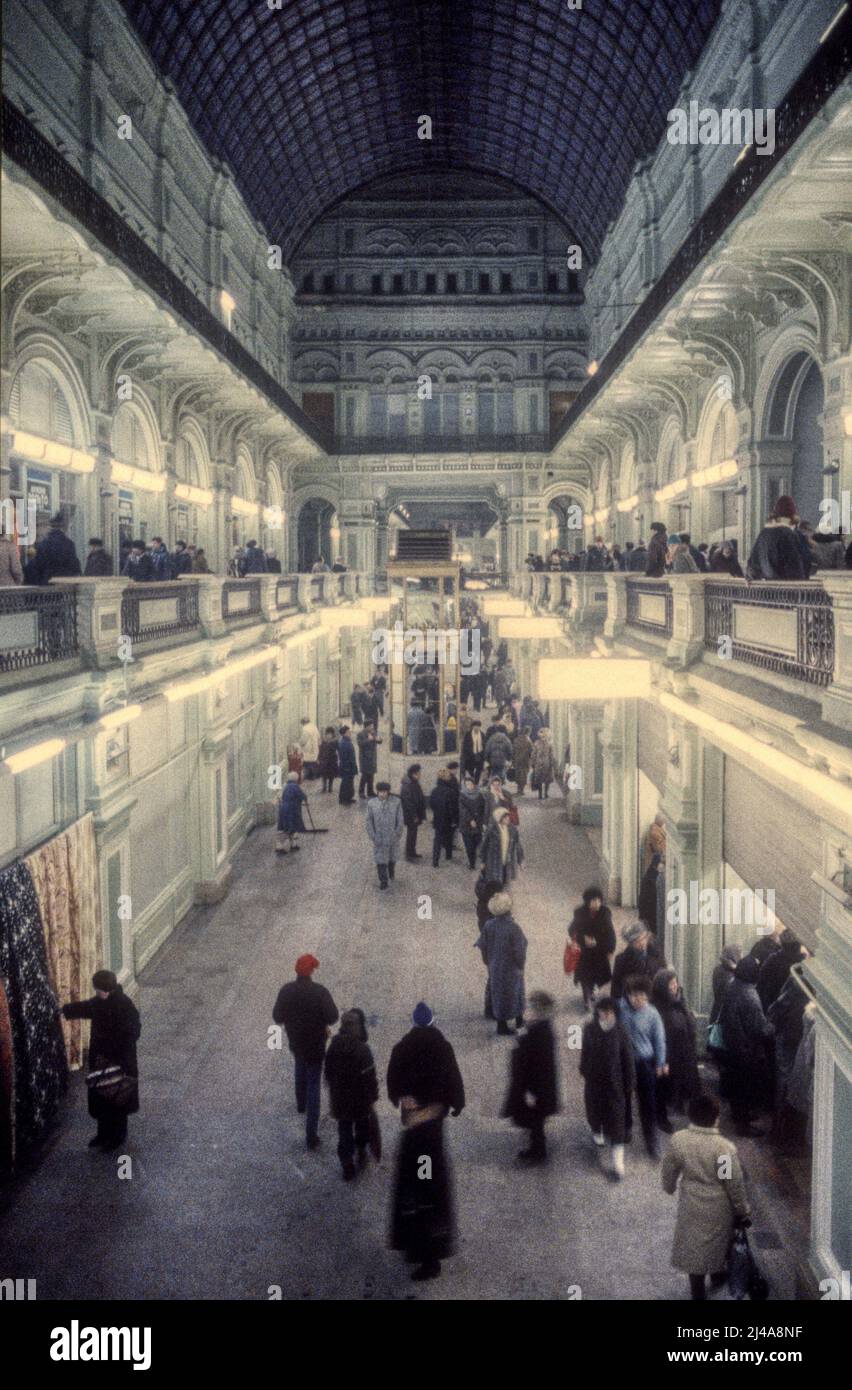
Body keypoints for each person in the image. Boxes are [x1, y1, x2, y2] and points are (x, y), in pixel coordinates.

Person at [387, 1002, 465, 1282]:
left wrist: (402, 1100)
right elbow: (454, 1087)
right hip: (431, 1138)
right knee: (431, 1190)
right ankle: (430, 1251)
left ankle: (416, 1245)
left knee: (415, 1189)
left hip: (414, 1136)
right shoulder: (443, 1048)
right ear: (433, 1021)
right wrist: (452, 1106)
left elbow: (393, 1085)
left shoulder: (402, 1048)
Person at [662, 1094, 750, 1300]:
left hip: (691, 1203)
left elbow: (669, 1170)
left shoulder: (679, 1140)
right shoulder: (723, 1148)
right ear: (716, 1118)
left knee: (694, 1246)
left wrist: (669, 1187)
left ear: (691, 1116)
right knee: (717, 1243)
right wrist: (742, 1209)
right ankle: (718, 1274)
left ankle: (697, 1291)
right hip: (719, 1207)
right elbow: (732, 1183)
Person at [61, 969, 141, 1151]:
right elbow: (85, 1007)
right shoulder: (106, 1002)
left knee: (116, 1099)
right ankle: (104, 1134)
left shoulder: (124, 1006)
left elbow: (133, 1033)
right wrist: (65, 1010)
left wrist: (113, 1050)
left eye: (98, 990)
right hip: (103, 1061)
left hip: (118, 1064)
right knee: (105, 1098)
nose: (96, 993)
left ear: (106, 990)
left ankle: (116, 1137)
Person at [272, 954, 339, 1150]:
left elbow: (277, 1016)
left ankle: (300, 1104)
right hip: (316, 1045)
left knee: (299, 1068)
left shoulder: (286, 991)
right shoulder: (320, 992)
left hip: (296, 1042)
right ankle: (311, 1134)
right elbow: (333, 1016)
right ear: (312, 972)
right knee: (314, 1084)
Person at [717, 955, 775, 1135]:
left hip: (732, 1044)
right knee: (745, 1088)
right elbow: (759, 1028)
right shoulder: (750, 995)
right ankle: (743, 1126)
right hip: (747, 1049)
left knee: (736, 1086)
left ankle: (738, 1115)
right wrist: (774, 1026)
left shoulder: (733, 985)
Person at [580, 996, 635, 1180]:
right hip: (595, 1083)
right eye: (602, 1011)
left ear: (615, 1013)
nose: (606, 1015)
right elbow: (585, 1053)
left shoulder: (621, 1032)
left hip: (615, 1085)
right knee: (594, 1113)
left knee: (617, 1124)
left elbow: (628, 1060)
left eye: (609, 1011)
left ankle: (618, 1164)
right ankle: (597, 1130)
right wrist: (585, 1070)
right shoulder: (589, 1029)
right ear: (597, 1012)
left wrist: (630, 1083)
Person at [502, 990, 559, 1163]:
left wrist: (532, 1092)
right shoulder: (535, 1027)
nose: (528, 1009)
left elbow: (541, 1067)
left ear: (540, 1011)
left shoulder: (541, 1033)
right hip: (531, 1085)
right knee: (534, 1119)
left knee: (534, 1120)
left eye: (532, 1006)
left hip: (535, 1087)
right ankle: (536, 1149)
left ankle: (538, 1153)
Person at [324, 1009, 379, 1182]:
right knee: (362, 1126)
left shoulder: (334, 1044)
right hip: (360, 1100)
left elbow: (328, 1071)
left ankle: (347, 1162)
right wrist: (374, 1095)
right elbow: (370, 1076)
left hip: (340, 1099)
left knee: (344, 1129)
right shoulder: (363, 1049)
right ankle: (361, 1150)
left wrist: (333, 1087)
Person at [618, 976, 667, 1158]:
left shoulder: (652, 1014)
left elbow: (659, 1039)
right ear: (628, 995)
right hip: (623, 1063)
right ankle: (626, 1127)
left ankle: (651, 1139)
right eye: (635, 996)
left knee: (647, 1102)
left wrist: (661, 1062)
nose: (639, 1000)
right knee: (624, 1097)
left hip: (644, 1063)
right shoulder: (620, 1008)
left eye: (643, 997)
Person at [651, 969, 701, 1129]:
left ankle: (693, 1117)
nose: (674, 987)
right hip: (667, 1055)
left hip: (684, 1052)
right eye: (670, 984)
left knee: (687, 1087)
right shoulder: (657, 1008)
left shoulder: (680, 1001)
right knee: (663, 1088)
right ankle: (661, 1118)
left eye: (675, 983)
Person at [475, 890, 527, 1036]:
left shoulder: (489, 925)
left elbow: (482, 945)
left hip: (495, 967)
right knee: (516, 993)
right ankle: (519, 1021)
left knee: (498, 994)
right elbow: (520, 950)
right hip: (511, 968)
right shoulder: (514, 928)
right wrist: (520, 965)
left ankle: (501, 1025)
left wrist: (488, 961)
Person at [569, 885, 616, 1011]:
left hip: (600, 950)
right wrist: (582, 938)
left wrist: (610, 949)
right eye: (593, 900)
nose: (597, 903)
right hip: (584, 951)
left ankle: (592, 992)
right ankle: (587, 998)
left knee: (598, 975)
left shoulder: (605, 913)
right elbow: (572, 929)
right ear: (587, 901)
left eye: (599, 900)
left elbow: (610, 933)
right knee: (585, 976)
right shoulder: (579, 913)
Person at [747, 495, 807, 580]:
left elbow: (752, 565)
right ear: (791, 516)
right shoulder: (788, 534)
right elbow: (795, 568)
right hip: (786, 589)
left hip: (767, 589)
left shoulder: (763, 534)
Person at [611, 922, 666, 1000]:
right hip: (633, 1002)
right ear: (630, 944)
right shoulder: (622, 960)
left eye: (643, 938)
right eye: (637, 941)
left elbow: (665, 978)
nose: (642, 943)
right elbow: (616, 989)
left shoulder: (657, 954)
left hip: (655, 1002)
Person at [756, 929, 807, 1012]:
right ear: (797, 946)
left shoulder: (773, 959)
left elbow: (761, 981)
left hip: (766, 1002)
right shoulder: (799, 966)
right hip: (783, 1008)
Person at [366, 781, 404, 889]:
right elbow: (369, 821)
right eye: (380, 792)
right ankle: (383, 880)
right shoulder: (371, 803)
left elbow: (400, 820)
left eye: (384, 792)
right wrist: (373, 836)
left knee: (392, 857)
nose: (382, 794)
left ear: (388, 792)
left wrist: (397, 834)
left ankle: (391, 871)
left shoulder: (396, 802)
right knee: (380, 860)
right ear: (377, 792)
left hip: (392, 837)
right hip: (379, 837)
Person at [30, 513, 82, 584]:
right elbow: (75, 566)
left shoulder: (42, 544)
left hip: (46, 584)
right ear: (64, 527)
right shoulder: (69, 544)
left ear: (51, 527)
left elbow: (37, 567)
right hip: (63, 584)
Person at [479, 804, 523, 884]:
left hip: (507, 861)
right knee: (495, 882)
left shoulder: (513, 830)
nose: (508, 819)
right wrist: (483, 861)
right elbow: (484, 846)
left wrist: (520, 861)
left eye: (508, 817)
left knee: (506, 882)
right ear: (499, 818)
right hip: (494, 862)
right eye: (505, 817)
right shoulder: (491, 829)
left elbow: (518, 845)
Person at [428, 767, 457, 866]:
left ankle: (435, 861)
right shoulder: (450, 791)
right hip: (448, 819)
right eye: (449, 776)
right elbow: (452, 807)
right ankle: (448, 856)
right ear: (445, 778)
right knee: (449, 837)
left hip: (438, 818)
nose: (450, 777)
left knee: (437, 839)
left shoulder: (434, 791)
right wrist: (454, 819)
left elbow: (431, 804)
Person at [709, 943, 741, 1026]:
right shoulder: (730, 973)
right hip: (724, 1017)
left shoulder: (719, 969)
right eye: (739, 954)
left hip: (718, 1013)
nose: (741, 957)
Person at [400, 764, 427, 860]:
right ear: (413, 774)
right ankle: (409, 852)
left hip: (414, 813)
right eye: (419, 773)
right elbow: (408, 803)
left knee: (413, 833)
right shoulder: (409, 785)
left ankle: (412, 851)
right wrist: (414, 815)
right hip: (411, 815)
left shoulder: (412, 782)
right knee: (411, 833)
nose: (420, 775)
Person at [276, 770, 307, 852]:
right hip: (292, 809)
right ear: (296, 779)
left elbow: (279, 796)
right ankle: (294, 844)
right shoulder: (295, 786)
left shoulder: (284, 786)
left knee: (283, 827)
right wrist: (305, 798)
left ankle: (279, 846)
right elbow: (302, 796)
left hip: (283, 808)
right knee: (293, 826)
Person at [458, 773, 485, 870]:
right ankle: (472, 863)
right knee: (469, 846)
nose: (469, 786)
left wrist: (482, 821)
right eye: (467, 784)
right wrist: (470, 820)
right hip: (466, 825)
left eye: (470, 784)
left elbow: (483, 808)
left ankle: (482, 861)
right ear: (464, 786)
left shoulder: (479, 795)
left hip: (478, 824)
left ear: (474, 784)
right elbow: (463, 810)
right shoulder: (462, 796)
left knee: (479, 843)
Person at [637, 852, 663, 938]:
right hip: (650, 910)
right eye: (661, 863)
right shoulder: (651, 878)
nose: (662, 866)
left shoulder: (653, 875)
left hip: (651, 910)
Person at [356, 721, 380, 800]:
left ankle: (370, 791)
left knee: (371, 776)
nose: (372, 727)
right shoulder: (360, 734)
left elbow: (379, 741)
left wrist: (379, 739)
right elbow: (360, 744)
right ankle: (361, 792)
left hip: (372, 758)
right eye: (371, 726)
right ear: (366, 726)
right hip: (365, 758)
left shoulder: (373, 732)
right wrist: (368, 740)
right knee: (364, 776)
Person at [530, 728, 557, 799]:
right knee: (547, 779)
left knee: (539, 779)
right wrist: (552, 764)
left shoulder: (536, 743)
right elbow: (551, 755)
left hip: (538, 763)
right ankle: (545, 794)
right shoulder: (549, 744)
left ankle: (540, 794)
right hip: (546, 763)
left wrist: (532, 763)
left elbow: (533, 754)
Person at [337, 725, 357, 805]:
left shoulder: (347, 741)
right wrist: (347, 767)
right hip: (346, 767)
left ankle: (348, 798)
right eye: (348, 732)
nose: (350, 733)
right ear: (344, 733)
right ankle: (343, 799)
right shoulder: (343, 743)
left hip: (350, 765)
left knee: (349, 783)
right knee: (345, 783)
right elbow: (344, 757)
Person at [461, 718, 485, 782]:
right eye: (475, 726)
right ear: (472, 726)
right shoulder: (468, 734)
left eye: (478, 726)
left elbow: (484, 745)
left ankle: (476, 783)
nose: (476, 728)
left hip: (479, 755)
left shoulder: (482, 734)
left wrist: (483, 755)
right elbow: (465, 746)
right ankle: (471, 781)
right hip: (471, 755)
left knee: (479, 771)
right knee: (470, 770)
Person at [511, 727, 533, 795]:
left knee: (518, 774)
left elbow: (513, 751)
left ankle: (518, 789)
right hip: (525, 760)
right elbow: (531, 752)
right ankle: (521, 790)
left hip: (517, 760)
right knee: (524, 775)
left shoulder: (516, 740)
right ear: (528, 732)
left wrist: (513, 760)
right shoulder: (528, 741)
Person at [317, 725, 339, 793]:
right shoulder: (323, 742)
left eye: (330, 734)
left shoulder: (335, 742)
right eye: (327, 734)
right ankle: (324, 787)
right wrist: (318, 758)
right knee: (324, 774)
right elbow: (320, 750)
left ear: (332, 734)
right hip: (324, 760)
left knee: (331, 775)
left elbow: (338, 750)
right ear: (326, 734)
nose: (329, 736)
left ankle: (330, 787)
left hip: (332, 760)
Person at [299, 716, 321, 781]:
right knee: (313, 762)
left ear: (303, 723)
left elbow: (303, 740)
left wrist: (299, 744)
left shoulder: (306, 729)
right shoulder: (314, 727)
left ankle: (309, 776)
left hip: (308, 749)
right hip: (315, 747)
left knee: (307, 763)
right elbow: (319, 737)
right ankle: (314, 775)